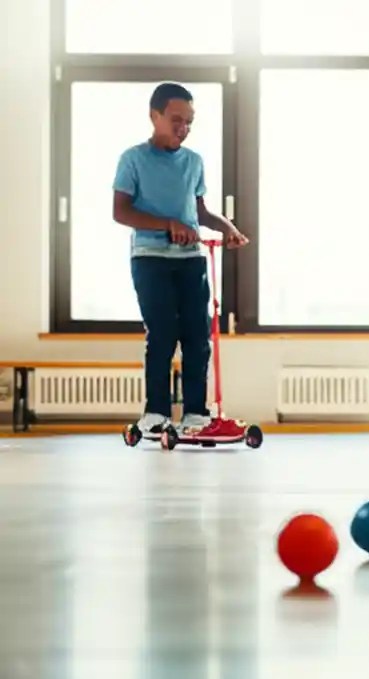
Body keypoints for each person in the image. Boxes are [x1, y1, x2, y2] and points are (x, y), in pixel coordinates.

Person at [112, 82, 248, 441]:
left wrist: (228, 228)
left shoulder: (194, 162)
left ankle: (195, 415)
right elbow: (121, 211)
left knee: (196, 336)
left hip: (190, 260)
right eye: (175, 120)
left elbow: (198, 212)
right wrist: (168, 225)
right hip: (150, 259)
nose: (183, 128)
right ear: (154, 115)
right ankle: (155, 413)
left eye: (189, 122)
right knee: (162, 334)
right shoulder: (133, 159)